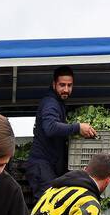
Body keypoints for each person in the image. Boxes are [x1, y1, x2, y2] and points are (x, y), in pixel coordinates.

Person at [25, 67, 97, 200]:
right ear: (54, 84)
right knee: (47, 207)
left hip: (49, 167)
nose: (66, 89)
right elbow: (50, 127)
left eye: (69, 85)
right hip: (42, 165)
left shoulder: (59, 103)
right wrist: (77, 127)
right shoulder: (50, 103)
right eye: (62, 85)